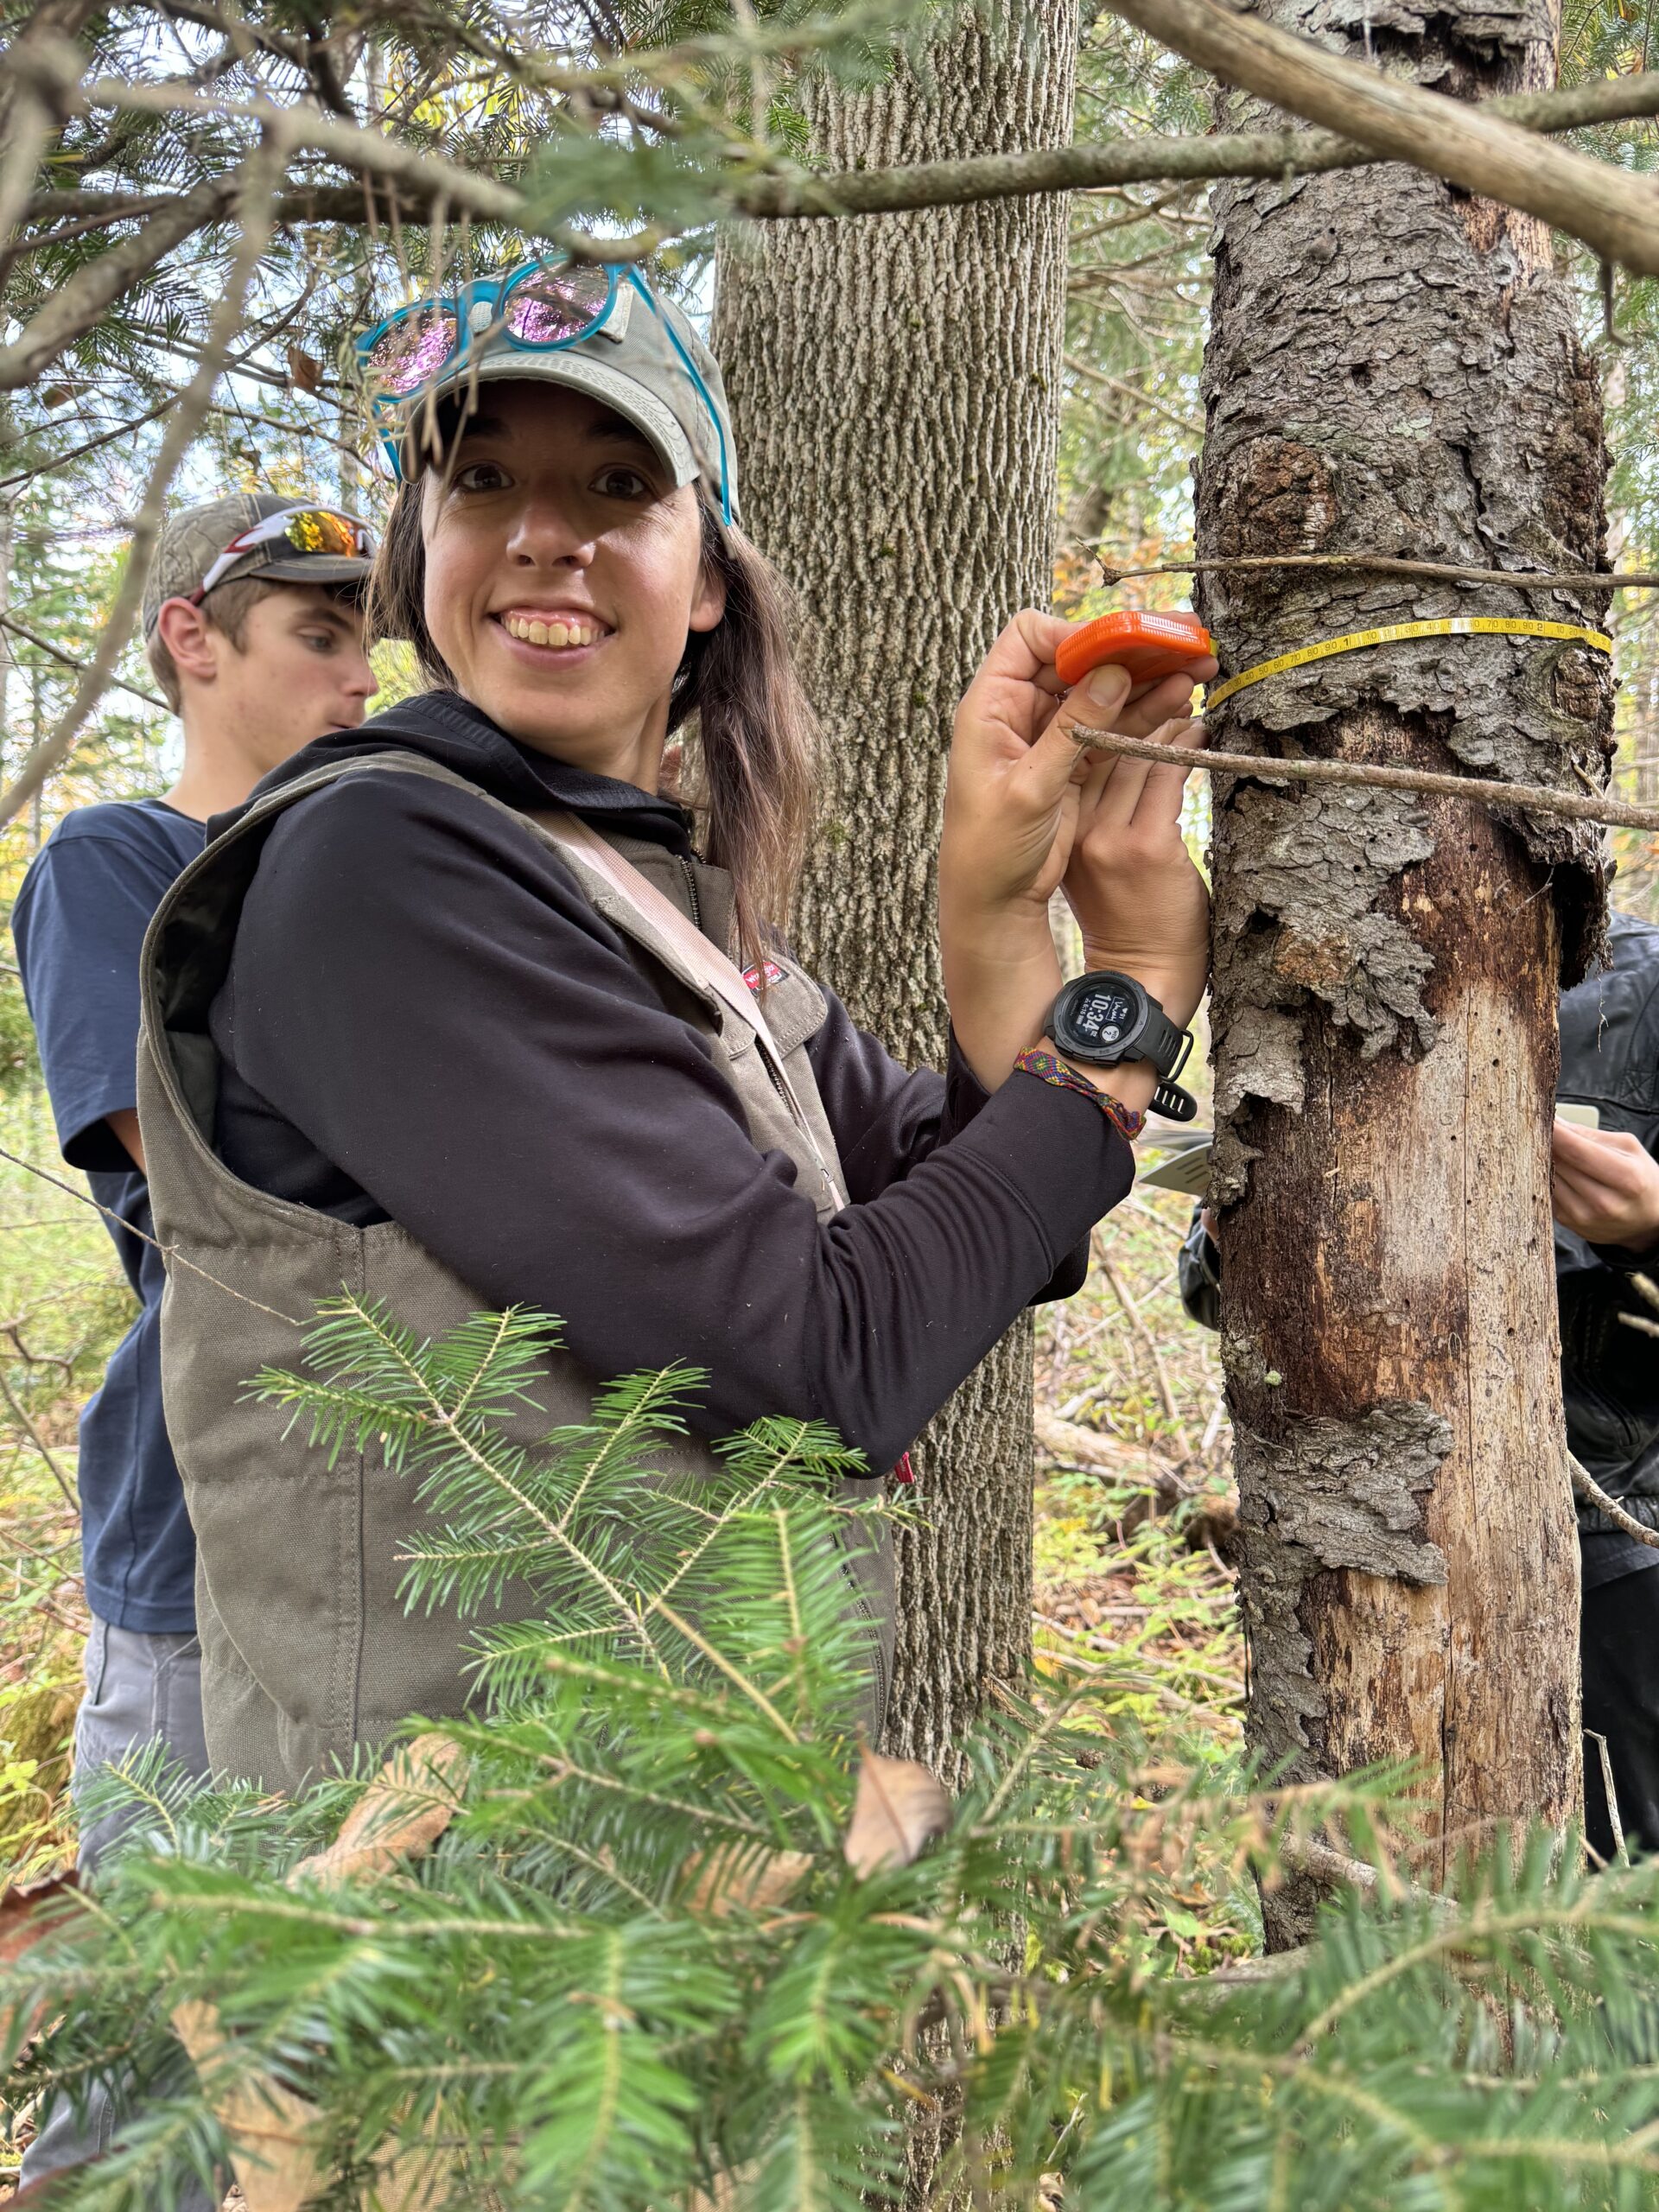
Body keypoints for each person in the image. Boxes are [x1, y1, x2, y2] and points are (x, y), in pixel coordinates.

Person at [130, 259, 1217, 1794]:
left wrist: (996, 928)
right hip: (463, 1891)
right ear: (419, 556)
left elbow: (997, 1225)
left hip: (685, 1826)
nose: (543, 534)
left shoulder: (655, 899)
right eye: (482, 479)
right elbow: (830, 1359)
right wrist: (1130, 1006)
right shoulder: (379, 871)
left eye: (618, 485)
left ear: (704, 574)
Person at [11, 494, 375, 2196]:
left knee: (323, 2042)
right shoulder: (119, 864)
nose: (357, 668)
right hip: (194, 1537)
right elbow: (198, 1172)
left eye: (367, 632)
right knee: (148, 2041)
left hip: (395, 1542)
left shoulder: (375, 881)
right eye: (315, 631)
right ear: (191, 637)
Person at [1176, 908, 1659, 1859]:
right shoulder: (1309, 985)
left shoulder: (1643, 994)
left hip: (1610, 1538)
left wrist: (1652, 1228)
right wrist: (1247, 1237)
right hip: (1355, 1535)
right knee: (1379, 1883)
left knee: (1620, 1892)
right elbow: (1206, 1287)